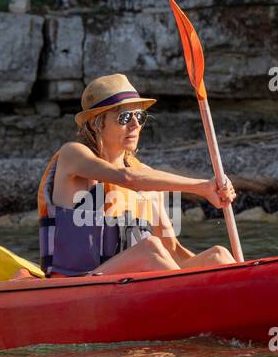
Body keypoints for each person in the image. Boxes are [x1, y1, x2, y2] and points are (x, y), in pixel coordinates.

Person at [37, 73, 238, 276]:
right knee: (150, 248)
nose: (135, 125)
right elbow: (127, 178)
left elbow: (173, 251)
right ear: (95, 123)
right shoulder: (72, 155)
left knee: (218, 255)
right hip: (79, 284)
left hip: (127, 287)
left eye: (139, 116)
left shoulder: (149, 181)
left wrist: (215, 271)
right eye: (124, 117)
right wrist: (202, 187)